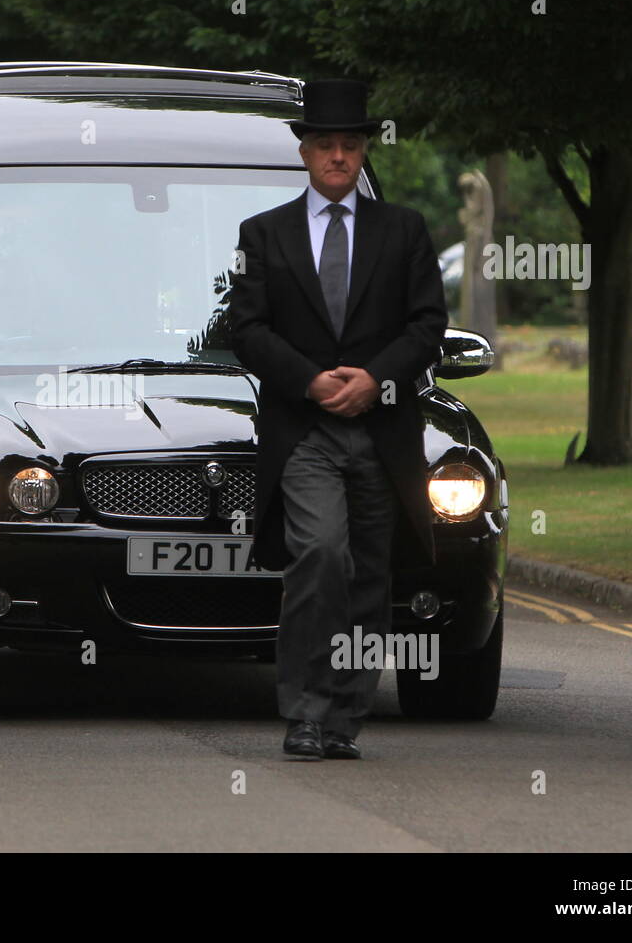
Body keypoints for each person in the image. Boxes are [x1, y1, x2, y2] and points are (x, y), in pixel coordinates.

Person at [228, 78, 448, 760]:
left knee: (368, 575)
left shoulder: (405, 230)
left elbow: (428, 324)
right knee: (320, 553)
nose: (337, 156)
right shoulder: (261, 235)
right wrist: (311, 380)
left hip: (382, 434)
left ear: (362, 152)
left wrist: (376, 377)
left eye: (349, 145)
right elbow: (246, 329)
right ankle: (304, 710)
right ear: (304, 151)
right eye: (325, 144)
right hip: (305, 433)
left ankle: (344, 718)